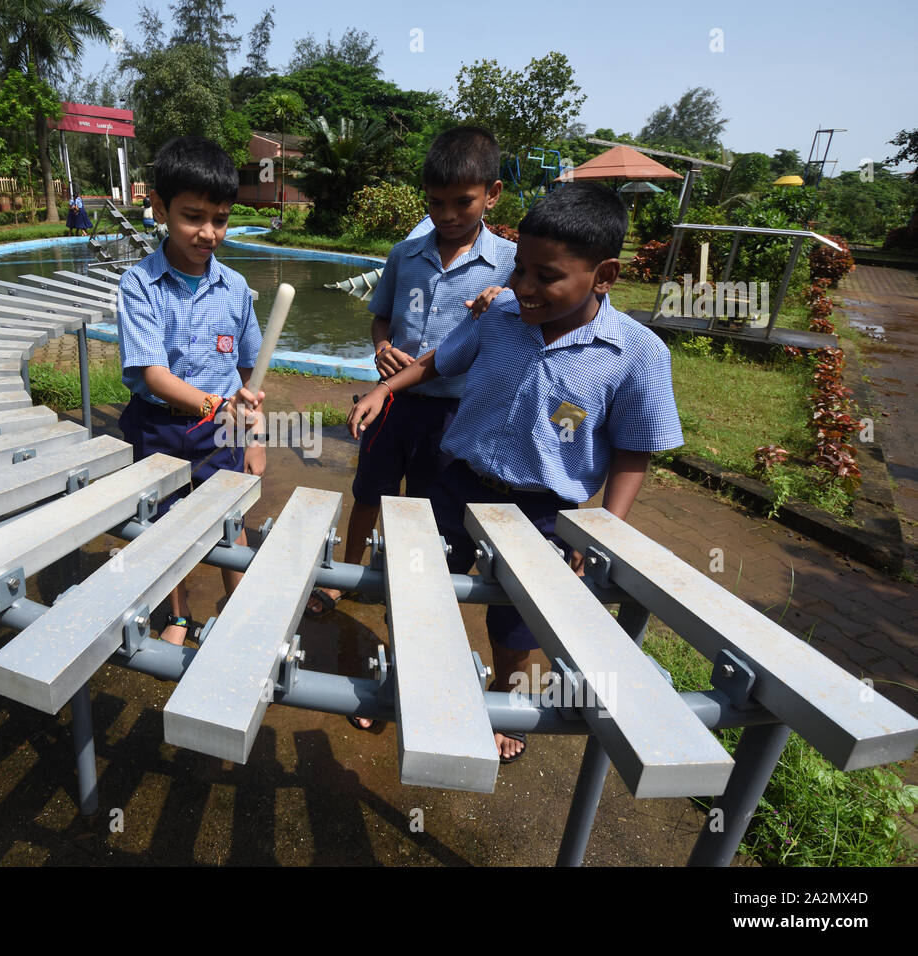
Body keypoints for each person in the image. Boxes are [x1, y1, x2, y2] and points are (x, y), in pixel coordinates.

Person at [349, 182, 684, 761]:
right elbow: (436, 362)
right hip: (457, 483)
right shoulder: (500, 313)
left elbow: (634, 451)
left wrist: (605, 527)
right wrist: (385, 390)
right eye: (521, 268)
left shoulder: (638, 353)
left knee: (516, 620)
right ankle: (402, 685)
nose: (524, 287)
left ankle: (504, 702)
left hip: (541, 512)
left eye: (545, 276)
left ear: (603, 275)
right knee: (421, 589)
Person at [307, 127, 516, 629]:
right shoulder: (406, 255)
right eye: (435, 202)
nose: (446, 215)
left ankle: (411, 587)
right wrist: (381, 345)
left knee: (429, 507)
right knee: (369, 491)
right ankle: (345, 570)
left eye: (461, 202)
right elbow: (380, 316)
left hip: (456, 411)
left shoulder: (510, 266)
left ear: (492, 194)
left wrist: (503, 299)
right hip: (393, 404)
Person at [117, 135, 267, 647]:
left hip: (223, 429)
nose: (208, 232)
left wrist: (257, 433)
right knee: (166, 523)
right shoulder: (139, 285)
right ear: (158, 208)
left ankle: (239, 604)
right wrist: (214, 404)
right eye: (193, 216)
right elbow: (154, 375)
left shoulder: (236, 288)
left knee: (230, 515)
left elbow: (250, 370)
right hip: (158, 424)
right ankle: (177, 615)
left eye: (220, 219)